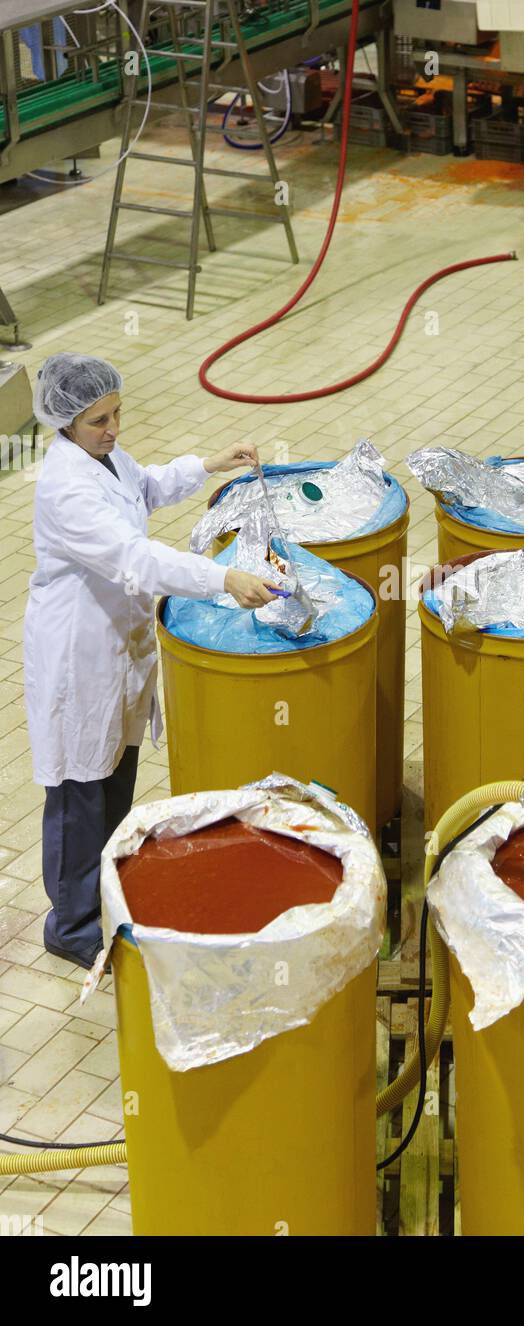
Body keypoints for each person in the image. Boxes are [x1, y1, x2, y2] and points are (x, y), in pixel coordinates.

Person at [24, 352, 276, 970]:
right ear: (64, 424)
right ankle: (72, 923)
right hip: (78, 653)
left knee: (116, 777)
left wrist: (207, 464)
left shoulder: (104, 457)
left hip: (118, 644)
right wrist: (224, 577)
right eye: (97, 421)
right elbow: (136, 559)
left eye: (116, 414)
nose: (112, 429)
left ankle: (104, 892)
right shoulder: (65, 486)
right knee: (81, 792)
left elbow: (143, 486)